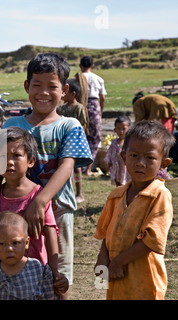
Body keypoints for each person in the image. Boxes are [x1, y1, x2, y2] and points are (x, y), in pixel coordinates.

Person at [0, 53, 93, 299]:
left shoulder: (69, 126)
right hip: (13, 216)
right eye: (37, 85)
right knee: (13, 273)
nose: (44, 92)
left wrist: (40, 202)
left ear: (64, 90)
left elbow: (67, 165)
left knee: (57, 279)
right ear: (26, 87)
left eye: (52, 86)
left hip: (58, 211)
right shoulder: (12, 123)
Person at [0, 126, 66, 297]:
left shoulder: (38, 196)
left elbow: (51, 232)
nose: (9, 162)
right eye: (2, 157)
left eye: (16, 156)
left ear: (31, 161)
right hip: (3, 271)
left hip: (37, 272)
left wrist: (53, 270)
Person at [94, 120, 175, 300]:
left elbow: (152, 240)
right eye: (134, 155)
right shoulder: (116, 195)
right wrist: (103, 258)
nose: (140, 163)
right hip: (117, 275)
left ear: (164, 163)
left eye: (150, 158)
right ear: (123, 157)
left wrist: (118, 262)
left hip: (144, 278)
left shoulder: (159, 195)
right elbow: (106, 231)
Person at [0, 211, 57, 300]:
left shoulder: (37, 269)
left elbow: (49, 295)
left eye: (15, 243)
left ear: (26, 242)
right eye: (2, 244)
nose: (9, 249)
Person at [58, 78, 89, 203]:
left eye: (66, 92)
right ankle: (65, 192)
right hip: (62, 142)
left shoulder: (79, 108)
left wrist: (73, 136)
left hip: (74, 143)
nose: (63, 94)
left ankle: (79, 193)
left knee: (76, 169)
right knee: (63, 168)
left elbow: (83, 124)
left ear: (73, 94)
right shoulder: (62, 108)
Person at [80, 56, 107, 176]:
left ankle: (78, 167)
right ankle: (88, 168)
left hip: (80, 107)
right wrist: (100, 111)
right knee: (95, 139)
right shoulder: (98, 79)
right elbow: (102, 98)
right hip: (94, 107)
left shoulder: (77, 78)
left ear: (81, 66)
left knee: (80, 137)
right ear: (92, 66)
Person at [103, 115, 131, 186]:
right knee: (117, 181)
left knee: (125, 182)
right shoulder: (114, 142)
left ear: (129, 129)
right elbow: (110, 152)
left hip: (126, 168)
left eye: (124, 129)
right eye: (118, 128)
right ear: (115, 129)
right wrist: (109, 163)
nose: (121, 131)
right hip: (116, 167)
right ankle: (119, 195)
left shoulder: (129, 143)